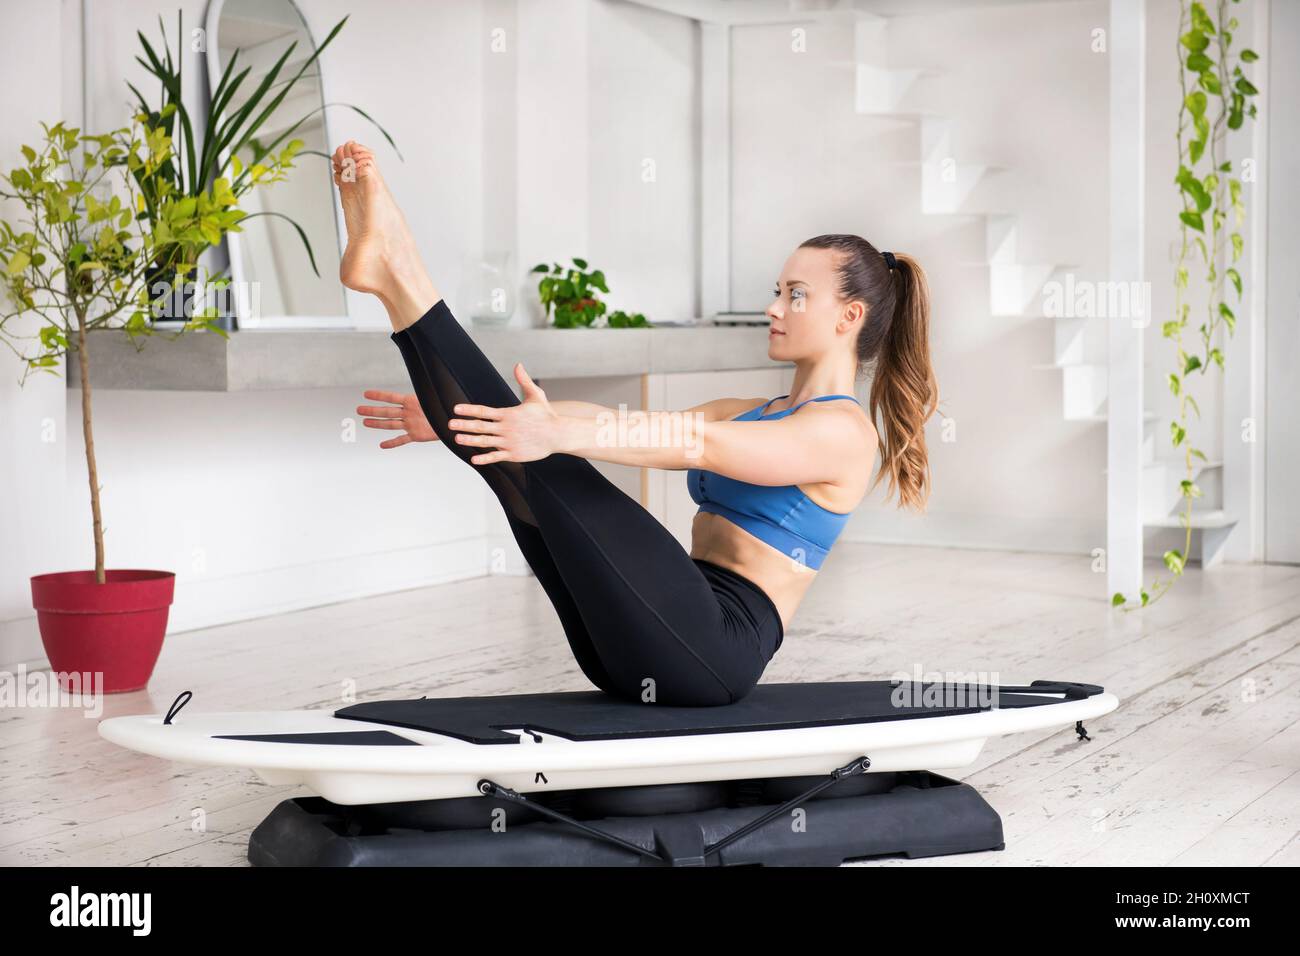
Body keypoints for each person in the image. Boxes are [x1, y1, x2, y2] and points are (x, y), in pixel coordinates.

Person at [333, 141, 939, 707]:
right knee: (515, 457)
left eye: (796, 295)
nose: (773, 308)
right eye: (776, 290)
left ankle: (399, 270)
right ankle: (393, 281)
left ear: (849, 317)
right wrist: (480, 420)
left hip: (710, 651)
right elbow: (620, 421)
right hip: (641, 634)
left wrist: (552, 433)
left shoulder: (843, 434)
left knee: (544, 458)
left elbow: (696, 445)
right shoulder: (749, 410)